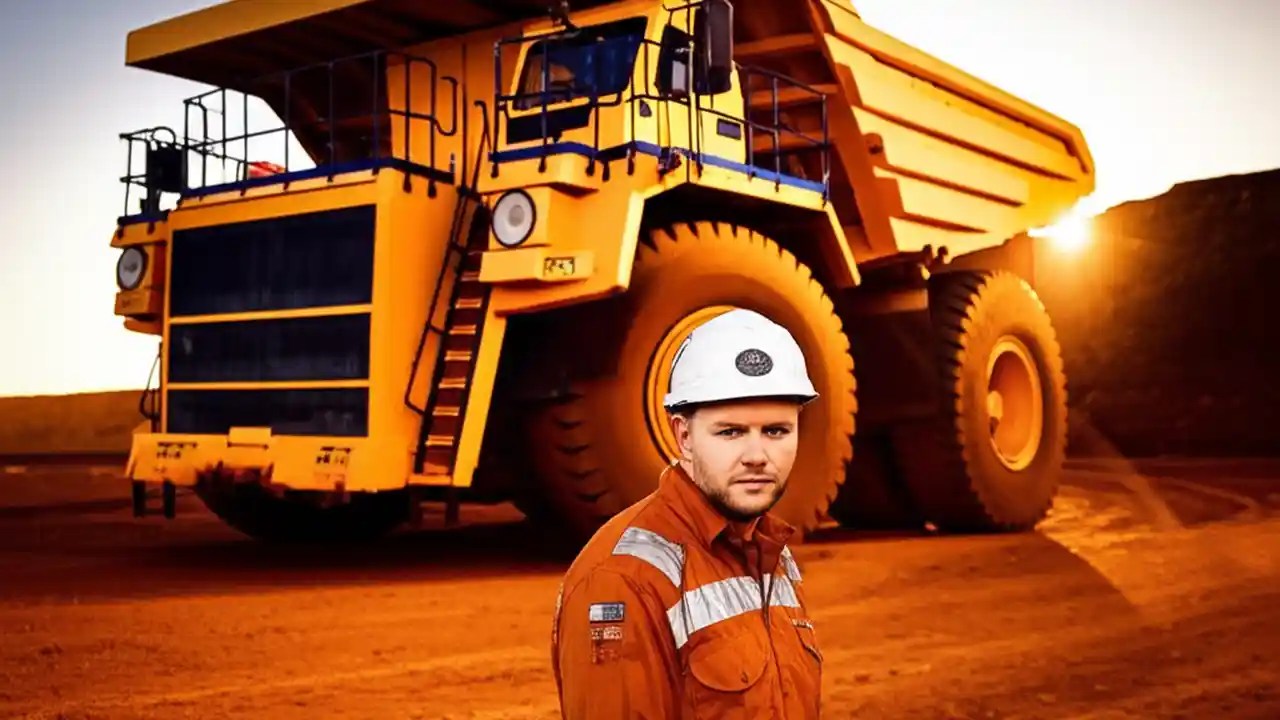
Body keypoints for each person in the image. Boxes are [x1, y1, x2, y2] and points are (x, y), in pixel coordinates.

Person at [550, 308, 824, 718]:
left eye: (776, 431)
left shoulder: (769, 553)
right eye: (730, 432)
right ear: (684, 436)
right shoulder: (621, 578)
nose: (756, 456)